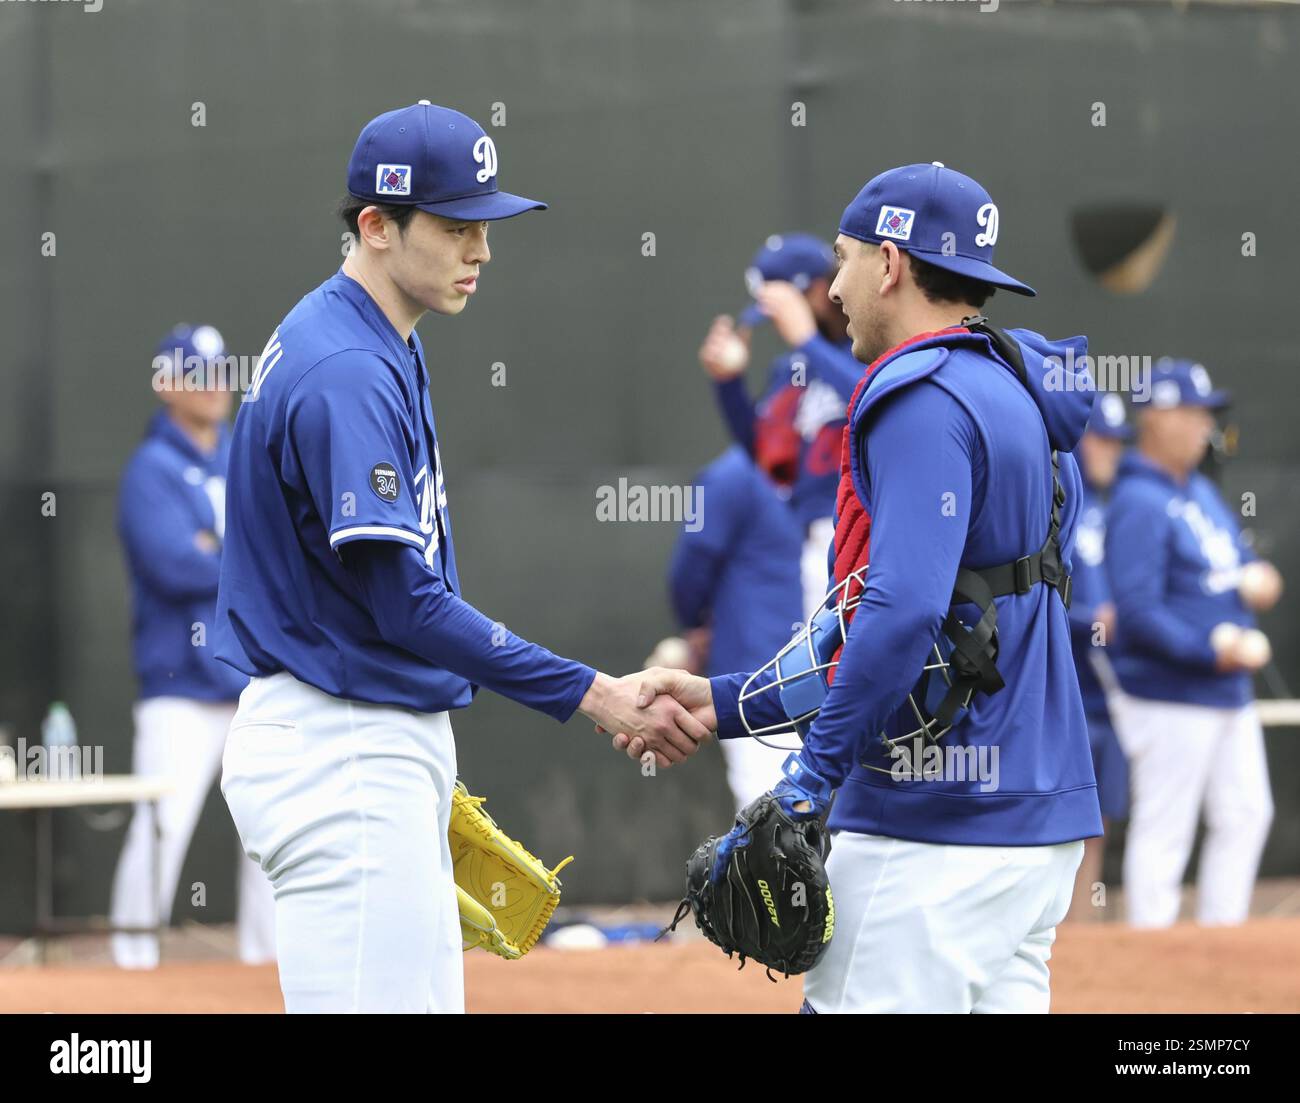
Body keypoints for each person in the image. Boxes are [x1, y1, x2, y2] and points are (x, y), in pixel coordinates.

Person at [213, 103, 706, 1013]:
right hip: (339, 743)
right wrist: (594, 693)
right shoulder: (347, 367)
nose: (480, 250)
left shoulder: (373, 339)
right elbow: (407, 606)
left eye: (485, 225)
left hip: (362, 735)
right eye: (454, 227)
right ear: (377, 224)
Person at [622, 163, 1102, 1013]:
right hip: (1036, 825)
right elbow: (946, 606)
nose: (833, 288)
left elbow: (903, 609)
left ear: (890, 263)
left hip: (933, 825)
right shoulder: (1017, 385)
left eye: (843, 260)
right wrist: (724, 701)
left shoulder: (922, 393)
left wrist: (811, 776)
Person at [111, 324, 276, 969]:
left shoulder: (239, 455)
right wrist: (244, 556)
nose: (212, 386)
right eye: (195, 373)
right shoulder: (148, 469)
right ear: (166, 384)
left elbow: (273, 542)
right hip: (178, 686)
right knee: (161, 831)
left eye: (218, 372)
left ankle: (266, 968)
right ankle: (130, 969)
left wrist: (224, 550)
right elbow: (174, 565)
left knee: (266, 835)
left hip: (251, 683)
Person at [1105, 359, 1281, 928]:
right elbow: (1137, 613)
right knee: (1167, 829)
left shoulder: (1199, 490)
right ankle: (1152, 959)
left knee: (1247, 813)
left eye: (1207, 413)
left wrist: (1258, 577)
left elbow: (1236, 562)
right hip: (1170, 693)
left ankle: (1222, 941)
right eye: (1193, 412)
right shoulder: (1137, 500)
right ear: (1156, 418)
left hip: (1226, 691)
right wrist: (1213, 647)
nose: (1205, 425)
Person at [698, 234, 861, 617]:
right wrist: (729, 384)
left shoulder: (867, 349)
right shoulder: (791, 367)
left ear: (820, 290)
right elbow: (767, 458)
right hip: (805, 536)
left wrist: (807, 341)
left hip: (859, 528)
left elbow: (875, 397)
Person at [666, 445, 805, 810]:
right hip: (759, 681)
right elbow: (690, 569)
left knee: (785, 819)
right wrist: (696, 626)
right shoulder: (734, 475)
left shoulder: (827, 472)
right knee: (770, 817)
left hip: (823, 677)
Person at [1065, 393, 1133, 921]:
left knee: (1103, 816)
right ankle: (1060, 927)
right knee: (1065, 811)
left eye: (1116, 441)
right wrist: (1090, 620)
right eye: (1101, 439)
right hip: (1066, 693)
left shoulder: (1112, 509)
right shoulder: (1059, 502)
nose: (1109, 451)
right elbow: (1033, 601)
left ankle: (1087, 926)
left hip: (1114, 695)